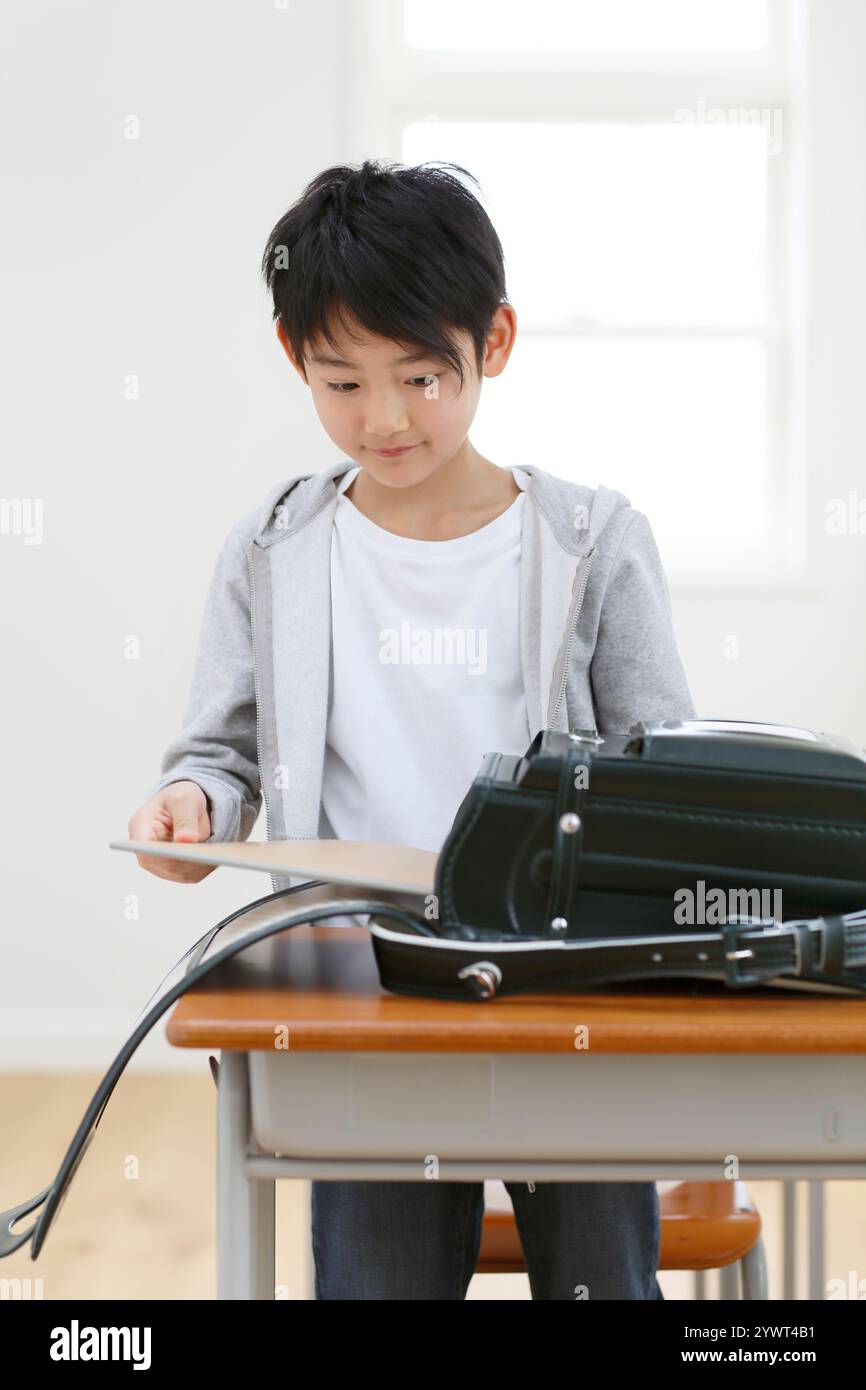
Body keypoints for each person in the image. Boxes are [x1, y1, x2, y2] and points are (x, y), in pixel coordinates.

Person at [128, 158, 694, 1299]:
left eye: (421, 377)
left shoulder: (592, 542)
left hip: (559, 984)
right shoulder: (272, 551)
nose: (383, 420)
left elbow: (666, 771)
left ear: (494, 341)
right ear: (294, 359)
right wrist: (191, 802)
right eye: (342, 382)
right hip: (361, 988)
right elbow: (218, 755)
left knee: (600, 1277)